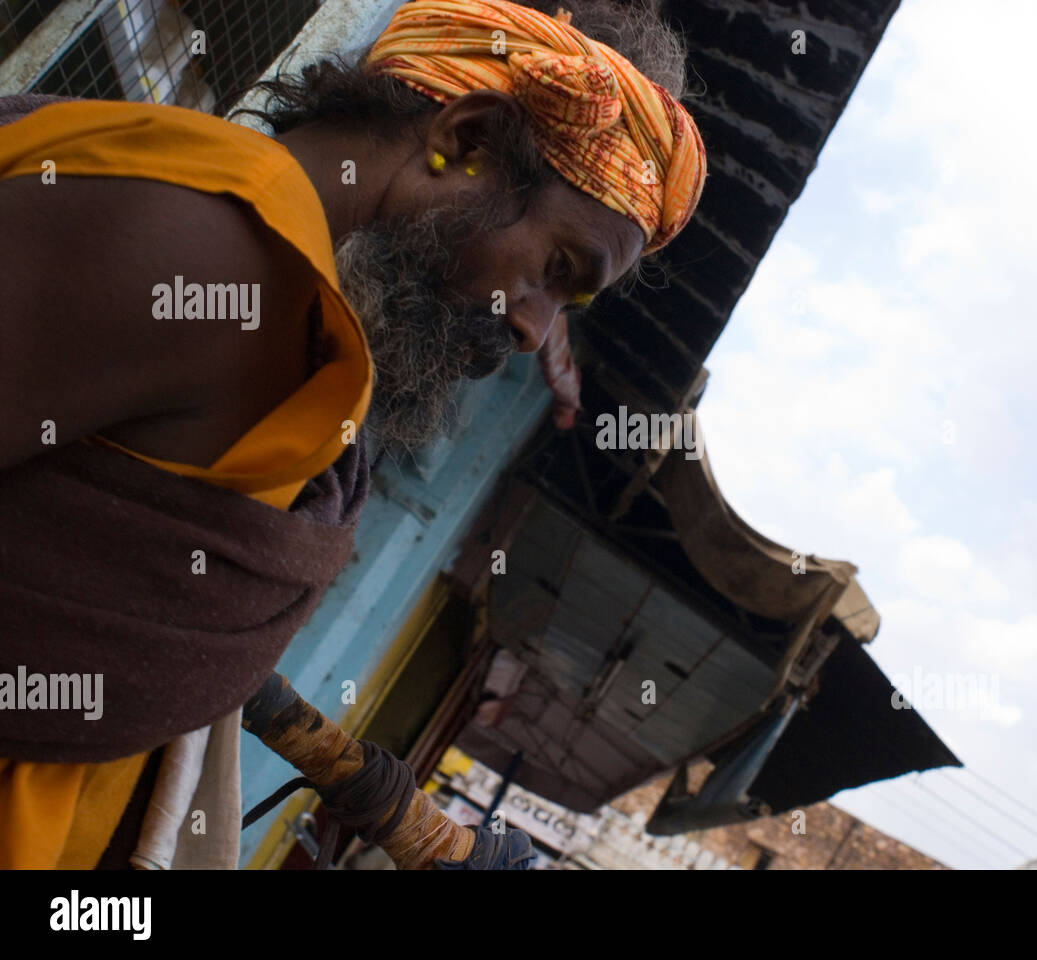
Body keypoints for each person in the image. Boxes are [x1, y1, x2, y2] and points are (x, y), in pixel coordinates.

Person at [0, 0, 705, 868]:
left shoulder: (292, 325)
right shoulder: (220, 253)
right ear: (468, 143)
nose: (532, 329)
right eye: (556, 271)